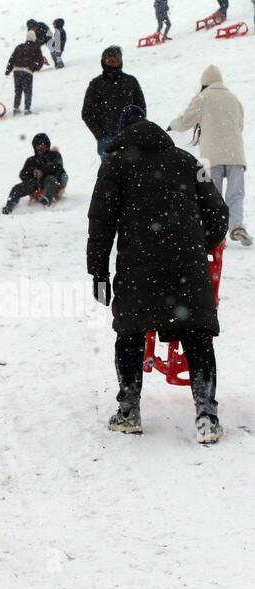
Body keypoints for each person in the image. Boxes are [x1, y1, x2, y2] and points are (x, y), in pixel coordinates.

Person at [88, 106, 229, 444]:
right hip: (186, 265)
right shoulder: (187, 161)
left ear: (124, 133)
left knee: (132, 332)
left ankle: (129, 411)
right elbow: (219, 212)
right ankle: (207, 414)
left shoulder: (115, 164)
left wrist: (98, 271)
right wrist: (199, 244)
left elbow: (101, 222)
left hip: (139, 266)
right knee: (196, 334)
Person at [167, 65, 250, 247]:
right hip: (235, 154)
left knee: (214, 195)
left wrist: (172, 126)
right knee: (236, 194)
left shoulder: (203, 98)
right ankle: (236, 226)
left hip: (211, 155)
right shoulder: (233, 98)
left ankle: (217, 233)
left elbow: (186, 120)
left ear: (204, 83)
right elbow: (240, 125)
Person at [82, 47, 147, 158]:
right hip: (107, 140)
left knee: (134, 172)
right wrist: (101, 135)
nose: (114, 65)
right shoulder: (96, 84)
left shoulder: (130, 81)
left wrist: (136, 129)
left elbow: (141, 108)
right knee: (110, 174)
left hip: (131, 137)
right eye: (111, 61)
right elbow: (87, 113)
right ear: (104, 62)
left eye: (117, 61)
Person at [2, 133, 68, 213]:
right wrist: (33, 173)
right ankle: (9, 207)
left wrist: (43, 171)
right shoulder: (31, 160)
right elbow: (23, 174)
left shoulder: (54, 155)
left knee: (50, 180)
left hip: (52, 181)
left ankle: (46, 200)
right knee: (17, 188)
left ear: (47, 145)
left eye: (42, 145)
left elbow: (58, 167)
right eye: (38, 145)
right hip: (36, 183)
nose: (40, 147)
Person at [6, 30, 44, 115]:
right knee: (27, 90)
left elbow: (12, 59)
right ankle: (27, 109)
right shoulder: (36, 48)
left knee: (18, 90)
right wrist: (35, 68)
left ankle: (16, 108)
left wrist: (8, 70)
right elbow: (40, 61)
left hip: (16, 70)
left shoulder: (19, 47)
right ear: (34, 38)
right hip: (27, 71)